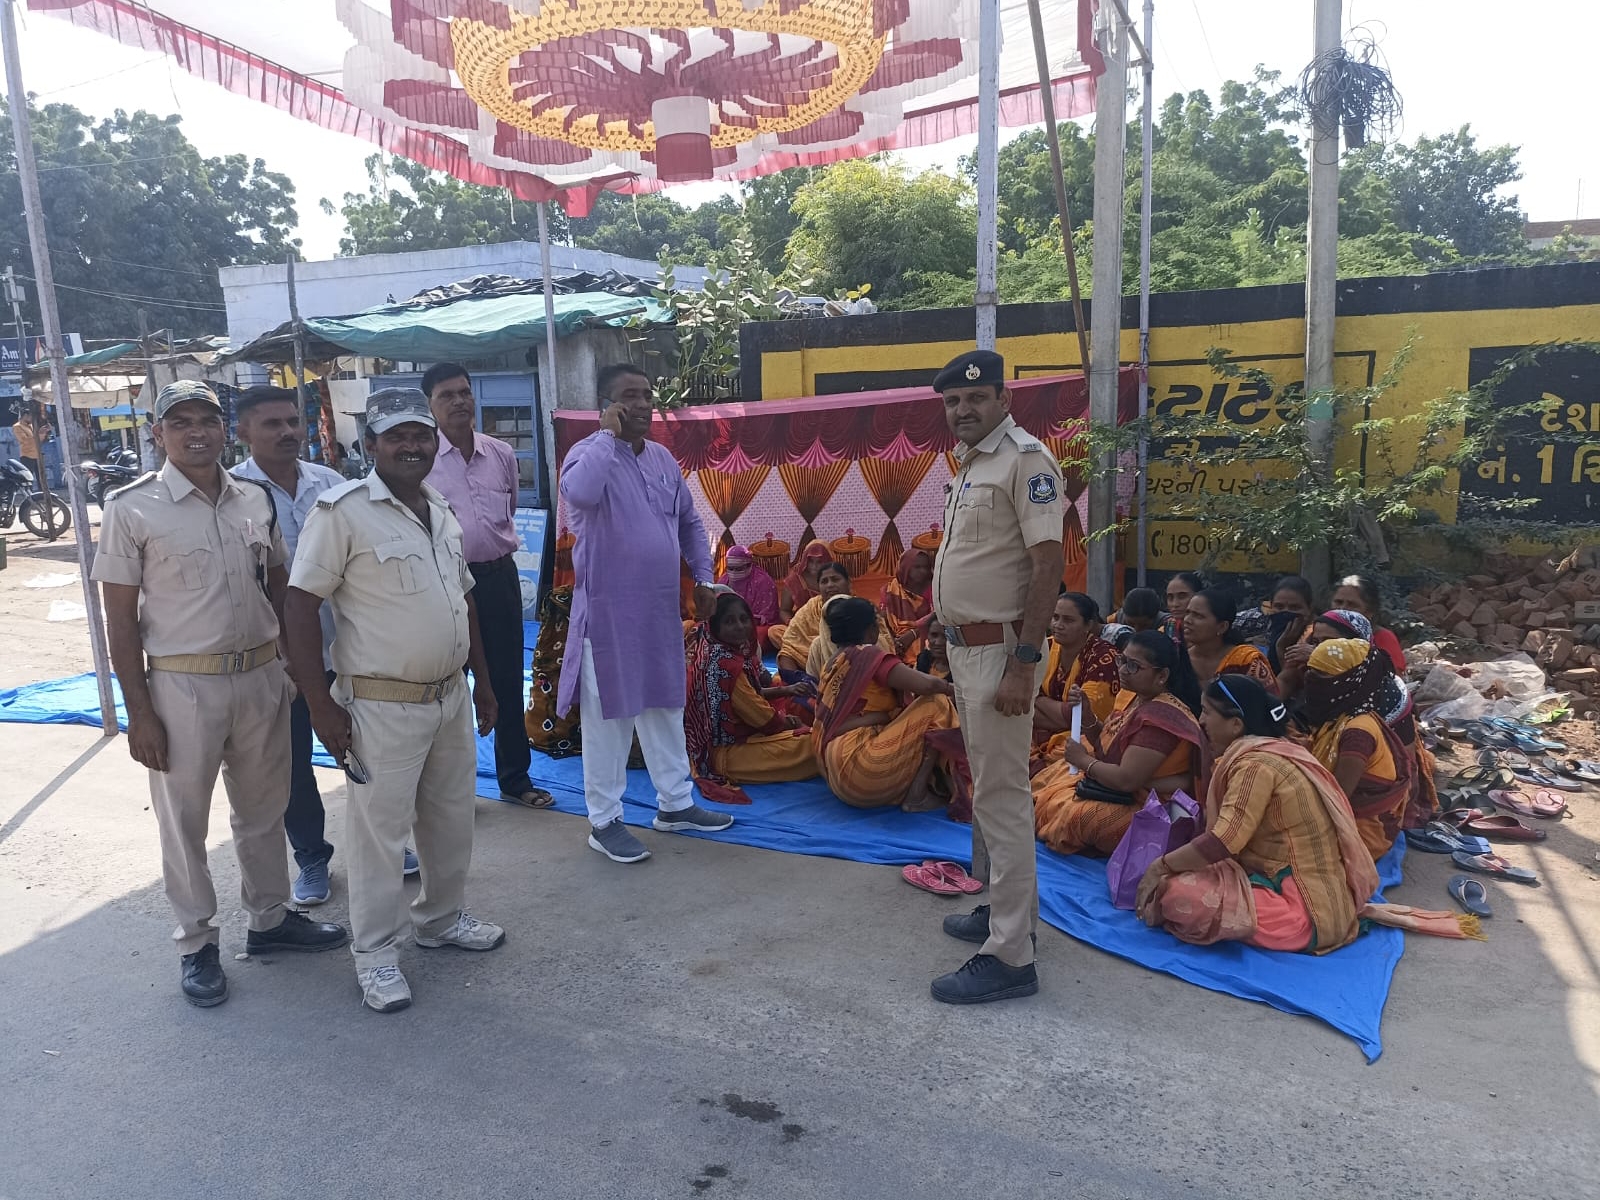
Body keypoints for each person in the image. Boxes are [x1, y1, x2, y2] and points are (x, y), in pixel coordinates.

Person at [91, 380, 348, 1009]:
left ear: (224, 429)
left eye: (207, 419)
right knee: (185, 824)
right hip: (183, 685)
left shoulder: (252, 500)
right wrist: (139, 713)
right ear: (159, 434)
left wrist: (292, 668)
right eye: (180, 422)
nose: (196, 431)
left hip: (262, 676)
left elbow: (283, 588)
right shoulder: (133, 508)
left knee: (264, 810)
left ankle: (270, 921)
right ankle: (197, 943)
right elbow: (119, 621)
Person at [285, 387, 506, 1014]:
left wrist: (483, 683)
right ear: (371, 445)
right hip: (380, 704)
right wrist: (321, 706)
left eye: (420, 435)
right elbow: (300, 606)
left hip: (447, 699)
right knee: (380, 835)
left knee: (450, 818)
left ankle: (439, 920)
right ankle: (376, 955)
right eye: (396, 437)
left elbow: (463, 600)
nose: (412, 446)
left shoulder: (437, 507)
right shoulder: (343, 512)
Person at [1137, 676, 1477, 948]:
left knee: (1177, 893)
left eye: (1207, 713)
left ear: (1237, 725)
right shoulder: (1273, 750)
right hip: (1295, 884)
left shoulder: (1255, 764)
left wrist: (1159, 867)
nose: (1201, 721)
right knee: (1184, 872)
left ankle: (1280, 920)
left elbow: (1223, 842)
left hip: (1304, 910)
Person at [927, 349, 1064, 1005]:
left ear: (1003, 399)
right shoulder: (971, 465)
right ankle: (1011, 913)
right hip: (966, 650)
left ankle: (1011, 955)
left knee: (1002, 799)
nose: (962, 410)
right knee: (992, 791)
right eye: (952, 402)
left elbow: (1048, 564)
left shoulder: (1026, 459)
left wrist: (1025, 660)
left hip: (1000, 656)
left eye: (975, 399)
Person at [557, 363, 734, 864]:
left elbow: (689, 522)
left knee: (663, 706)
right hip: (609, 617)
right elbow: (581, 496)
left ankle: (675, 804)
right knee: (610, 717)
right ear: (606, 407)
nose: (641, 404)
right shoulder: (585, 455)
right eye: (627, 397)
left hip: (658, 610)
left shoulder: (660, 458)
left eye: (646, 394)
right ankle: (604, 821)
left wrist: (702, 579)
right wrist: (608, 439)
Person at [231, 384, 365, 906]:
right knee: (293, 765)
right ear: (243, 433)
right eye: (272, 424)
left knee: (364, 749)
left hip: (344, 649)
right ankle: (312, 857)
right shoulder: (234, 494)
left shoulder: (330, 484)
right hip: (279, 662)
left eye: (293, 421)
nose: (288, 432)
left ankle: (384, 843)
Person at [422, 362, 554, 810]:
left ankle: (515, 779)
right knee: (448, 684)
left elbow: (510, 509)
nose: (459, 401)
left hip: (498, 579)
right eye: (447, 395)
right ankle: (450, 789)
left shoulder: (499, 453)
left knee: (504, 681)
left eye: (464, 392)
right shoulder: (422, 462)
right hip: (443, 587)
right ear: (430, 406)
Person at [1030, 631, 1204, 856]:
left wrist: (1083, 761)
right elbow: (1109, 746)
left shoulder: (1160, 718)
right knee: (1056, 777)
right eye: (1121, 660)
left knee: (1076, 817)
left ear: (1162, 676)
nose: (1122, 670)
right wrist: (1086, 715)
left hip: (1152, 807)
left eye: (1133, 666)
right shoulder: (1134, 696)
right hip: (1124, 788)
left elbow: (1126, 780)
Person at [810, 596, 959, 809]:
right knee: (937, 703)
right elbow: (929, 687)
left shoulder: (833, 663)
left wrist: (883, 716)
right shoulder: (868, 655)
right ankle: (918, 794)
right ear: (872, 629)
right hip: (861, 772)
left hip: (835, 778)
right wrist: (957, 691)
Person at [685, 592, 817, 803]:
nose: (739, 626)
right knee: (815, 743)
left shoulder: (716, 651)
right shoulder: (726, 664)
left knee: (781, 688)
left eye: (744, 619)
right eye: (729, 621)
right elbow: (764, 719)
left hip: (714, 745)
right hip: (726, 754)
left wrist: (788, 691)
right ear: (715, 626)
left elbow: (752, 695)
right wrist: (790, 724)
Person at [1299, 638, 1414, 860]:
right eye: (1311, 673)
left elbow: (1337, 799)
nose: (1311, 682)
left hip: (1362, 835)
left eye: (1323, 677)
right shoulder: (1339, 717)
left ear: (1349, 681)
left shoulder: (1357, 733)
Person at [1031, 592, 1121, 768]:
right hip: (1043, 735)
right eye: (1055, 617)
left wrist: (1036, 698)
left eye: (1068, 620)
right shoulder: (1045, 648)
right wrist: (1063, 714)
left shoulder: (1104, 658)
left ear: (1088, 625)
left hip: (1089, 739)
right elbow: (1020, 706)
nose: (1058, 625)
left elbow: (1083, 719)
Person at [1182, 587, 1278, 692]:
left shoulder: (1246, 662)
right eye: (1187, 613)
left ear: (1222, 626)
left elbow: (1269, 702)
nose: (1187, 620)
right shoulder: (1179, 660)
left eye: (1198, 616)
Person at [1331, 574, 1407, 672]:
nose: (1342, 609)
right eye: (1338, 602)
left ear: (1370, 611)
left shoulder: (1383, 638)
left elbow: (1392, 679)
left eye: (1352, 604)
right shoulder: (1321, 634)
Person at [719, 545, 781, 649]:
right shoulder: (723, 581)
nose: (734, 572)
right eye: (730, 568)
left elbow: (769, 616)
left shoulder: (764, 582)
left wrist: (744, 621)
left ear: (749, 565)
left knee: (757, 638)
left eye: (739, 568)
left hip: (756, 626)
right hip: (728, 623)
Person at [880, 548, 936, 663]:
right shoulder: (890, 590)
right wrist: (894, 642)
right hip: (896, 639)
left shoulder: (934, 588)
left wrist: (912, 634)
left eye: (926, 567)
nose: (923, 571)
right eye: (917, 567)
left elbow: (937, 616)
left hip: (927, 635)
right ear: (905, 567)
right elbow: (884, 619)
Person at [778, 539, 835, 627]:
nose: (814, 566)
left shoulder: (837, 577)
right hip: (803, 626)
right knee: (774, 631)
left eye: (819, 562)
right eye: (811, 561)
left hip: (830, 625)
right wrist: (792, 624)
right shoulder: (794, 580)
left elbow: (846, 605)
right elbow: (784, 610)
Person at [11, 403, 44, 488]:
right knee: (28, 479)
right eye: (30, 416)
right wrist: (37, 435)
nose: (31, 419)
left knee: (41, 478)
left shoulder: (30, 425)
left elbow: (38, 440)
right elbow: (24, 440)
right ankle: (29, 497)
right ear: (25, 415)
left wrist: (43, 433)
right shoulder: (17, 427)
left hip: (37, 454)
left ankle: (42, 495)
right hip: (27, 455)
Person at [1162, 572, 1204, 637]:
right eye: (1170, 598)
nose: (1175, 604)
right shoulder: (1167, 628)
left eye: (1182, 596)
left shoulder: (1210, 628)